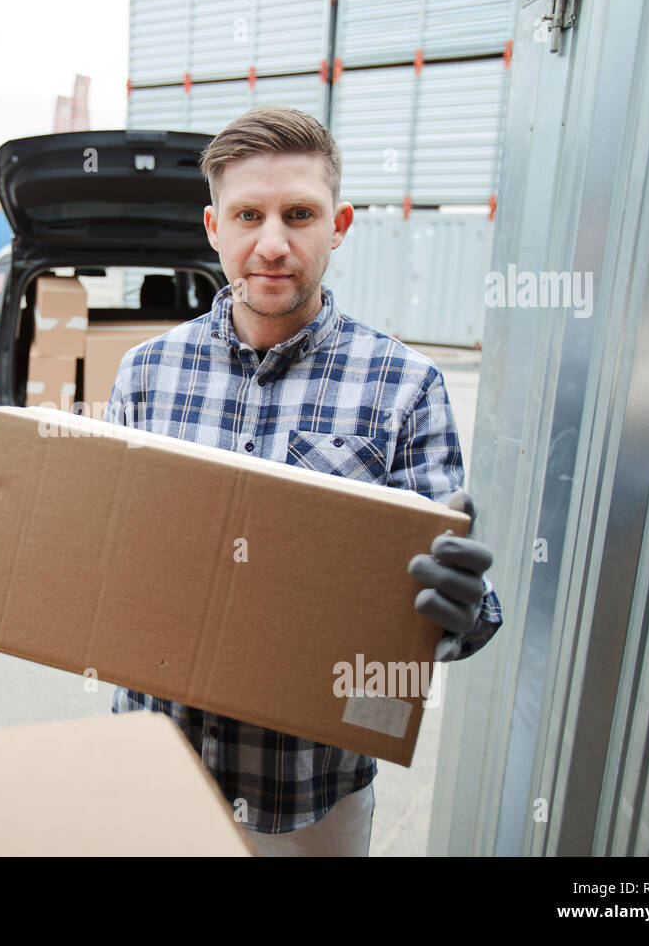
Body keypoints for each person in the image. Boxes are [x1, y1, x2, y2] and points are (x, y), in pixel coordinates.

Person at [101, 105, 502, 857]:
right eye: (248, 214)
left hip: (311, 799)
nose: (274, 244)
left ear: (339, 224)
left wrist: (458, 612)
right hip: (156, 767)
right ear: (214, 226)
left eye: (300, 214)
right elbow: (113, 561)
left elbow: (443, 620)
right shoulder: (145, 373)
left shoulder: (404, 387)